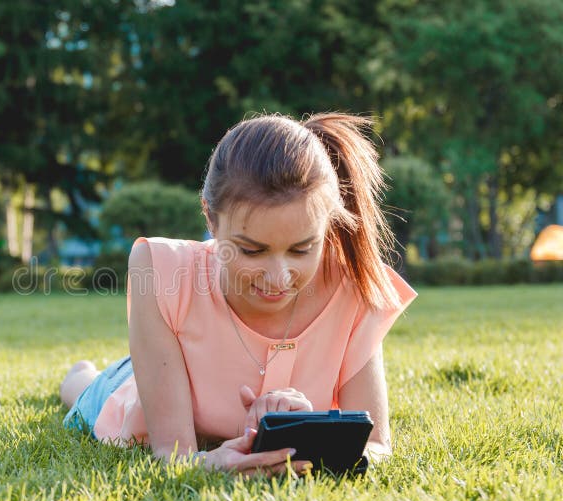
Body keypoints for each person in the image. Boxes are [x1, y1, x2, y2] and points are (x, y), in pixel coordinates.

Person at [59, 113, 417, 477]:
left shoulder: (354, 286)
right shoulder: (161, 269)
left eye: (301, 249)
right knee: (89, 392)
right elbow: (172, 453)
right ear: (210, 218)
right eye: (251, 250)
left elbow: (376, 445)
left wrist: (311, 439)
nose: (279, 278)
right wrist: (210, 463)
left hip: (170, 363)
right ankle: (81, 374)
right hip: (139, 383)